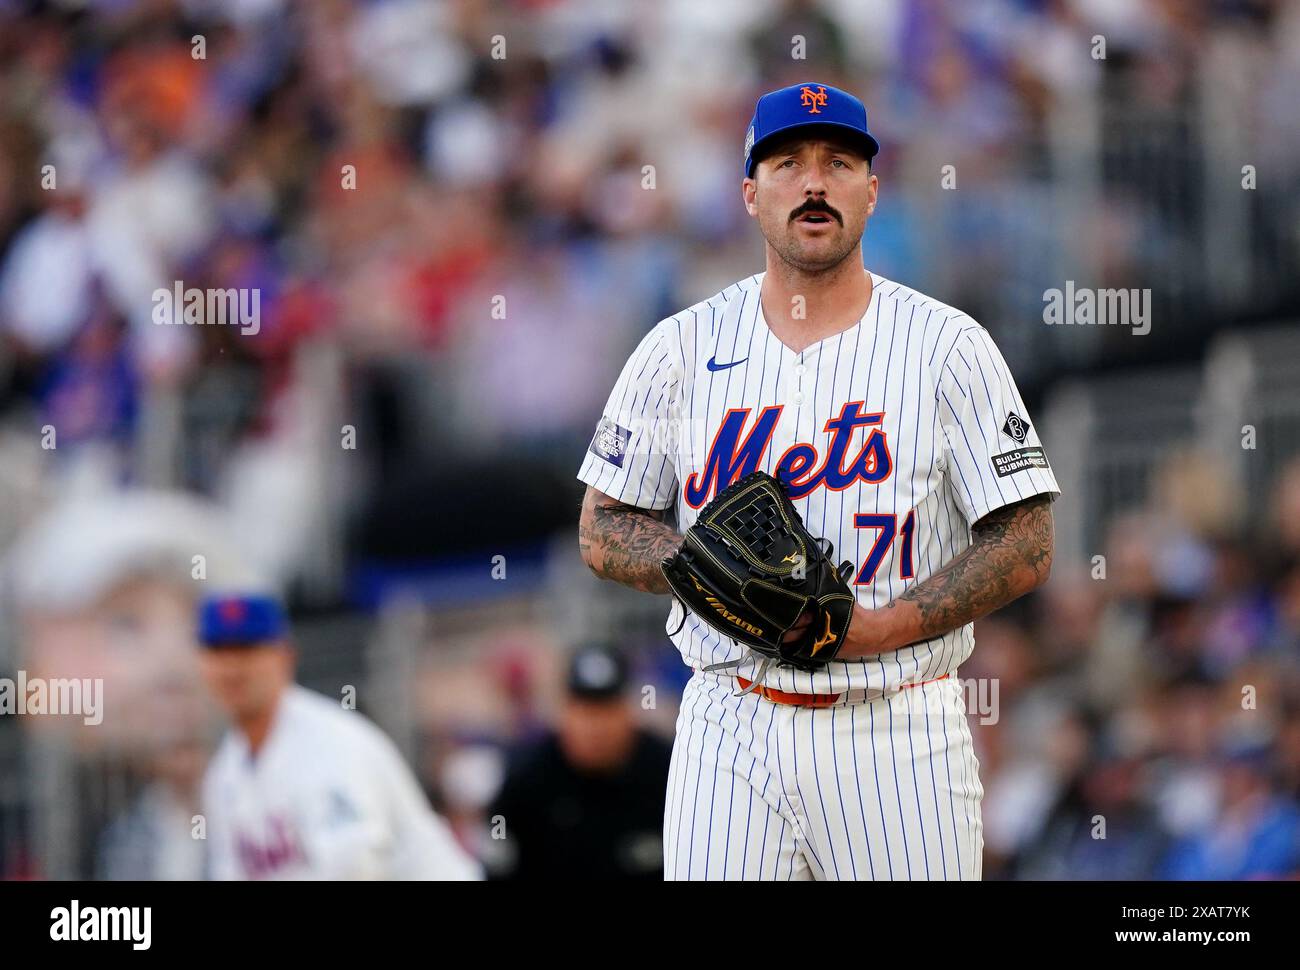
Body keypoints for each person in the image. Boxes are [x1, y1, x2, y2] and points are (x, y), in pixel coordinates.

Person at [577, 81, 1059, 880]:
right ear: (749, 194)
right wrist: (716, 579)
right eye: (787, 163)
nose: (813, 182)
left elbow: (1029, 539)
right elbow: (603, 528)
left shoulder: (947, 347)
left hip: (897, 721)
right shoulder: (679, 348)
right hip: (730, 720)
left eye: (838, 162)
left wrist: (885, 626)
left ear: (871, 192)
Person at [196, 593, 480, 880]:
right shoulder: (224, 775)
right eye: (218, 650)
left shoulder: (329, 744)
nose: (232, 667)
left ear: (285, 655)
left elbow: (353, 871)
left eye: (247, 649)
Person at [486, 646, 672, 880]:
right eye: (583, 710)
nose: (595, 727)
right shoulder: (526, 781)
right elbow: (497, 867)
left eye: (606, 710)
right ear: (563, 711)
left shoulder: (667, 772)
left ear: (629, 710)